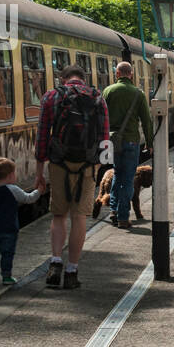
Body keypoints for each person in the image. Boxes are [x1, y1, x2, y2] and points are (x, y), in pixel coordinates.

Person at [35, 64, 109, 289]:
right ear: (83, 78)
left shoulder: (51, 97)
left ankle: (56, 262)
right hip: (87, 166)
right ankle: (72, 271)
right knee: (79, 217)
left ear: (63, 78)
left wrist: (39, 172)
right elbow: (104, 138)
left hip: (59, 164)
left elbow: (42, 137)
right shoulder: (98, 98)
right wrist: (97, 167)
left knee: (59, 215)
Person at [102, 61, 154, 229]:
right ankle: (123, 217)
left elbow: (101, 117)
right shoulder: (138, 94)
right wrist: (149, 143)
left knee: (117, 174)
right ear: (131, 75)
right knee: (128, 179)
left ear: (117, 74)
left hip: (113, 141)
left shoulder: (108, 91)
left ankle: (113, 210)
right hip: (131, 141)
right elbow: (146, 121)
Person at [0, 157, 40, 284]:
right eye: (15, 173)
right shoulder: (13, 189)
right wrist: (38, 191)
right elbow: (28, 198)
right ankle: (6, 276)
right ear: (10, 175)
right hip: (9, 229)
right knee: (7, 252)